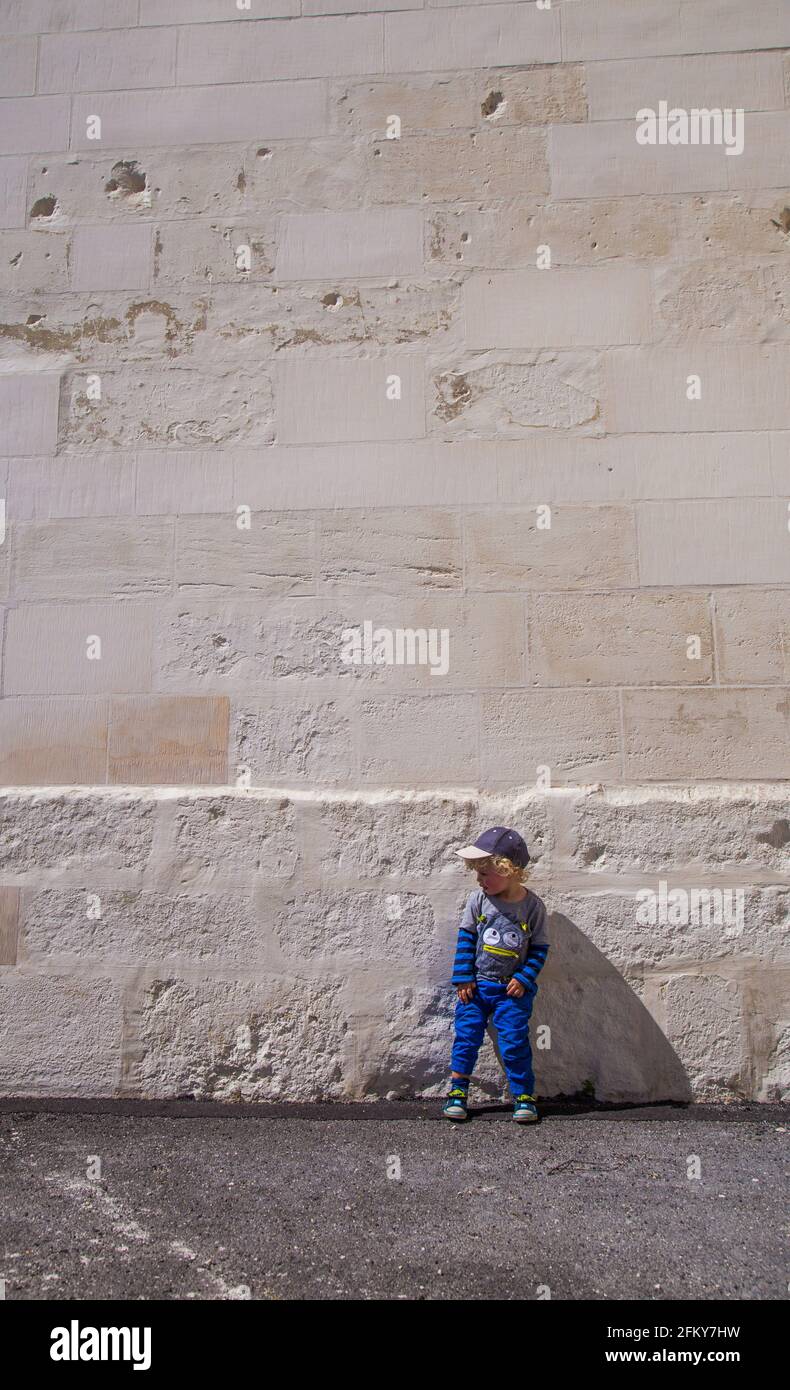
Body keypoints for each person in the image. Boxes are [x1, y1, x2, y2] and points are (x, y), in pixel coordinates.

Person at [443, 826, 549, 1123]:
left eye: (486, 872)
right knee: (466, 1037)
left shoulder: (532, 907)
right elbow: (466, 938)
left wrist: (524, 978)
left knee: (514, 1041)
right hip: (476, 989)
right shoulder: (478, 901)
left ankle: (524, 1096)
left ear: (510, 870)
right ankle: (458, 1091)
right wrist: (463, 976)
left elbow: (540, 948)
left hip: (511, 992)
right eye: (477, 872)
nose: (479, 879)